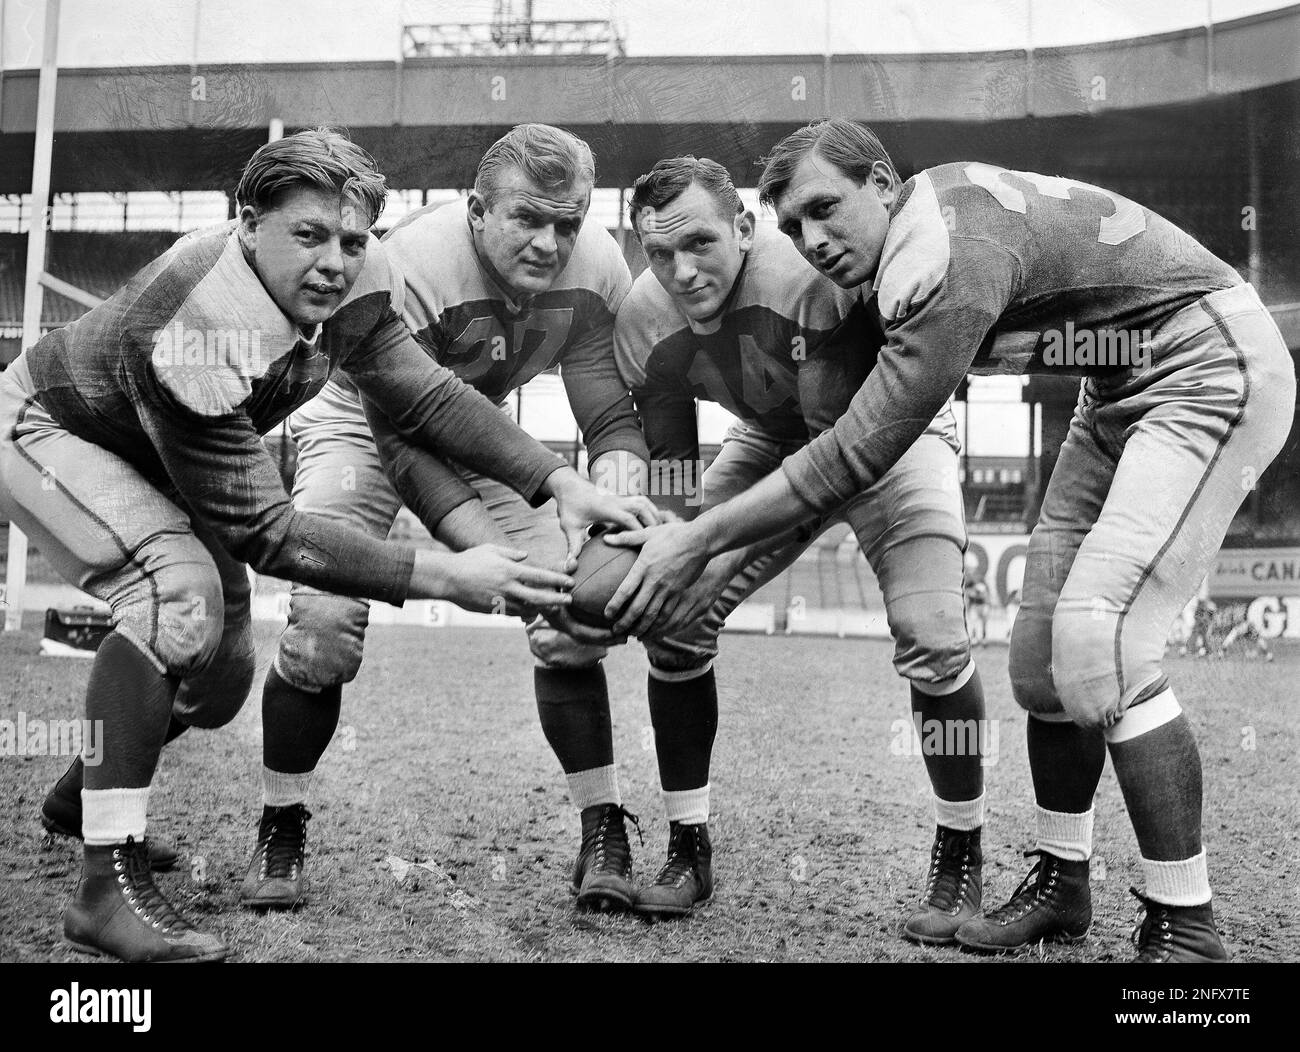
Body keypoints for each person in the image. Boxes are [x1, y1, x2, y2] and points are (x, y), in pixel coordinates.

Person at [602, 119, 1295, 962]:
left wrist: (698, 538)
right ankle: (1061, 879)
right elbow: (705, 449)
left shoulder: (939, 253)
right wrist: (656, 524)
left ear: (885, 186)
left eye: (827, 208)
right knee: (1041, 661)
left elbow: (854, 450)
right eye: (797, 225)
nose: (814, 240)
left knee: (1095, 642)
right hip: (1108, 392)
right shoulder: (723, 298)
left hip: (1199, 366)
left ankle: (1183, 921)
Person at [0, 128, 654, 963]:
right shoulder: (200, 317)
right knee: (180, 600)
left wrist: (556, 481)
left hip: (162, 453)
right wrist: (444, 572)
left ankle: (80, 797)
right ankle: (106, 888)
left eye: (351, 239)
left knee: (222, 677)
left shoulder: (365, 275)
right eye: (307, 235)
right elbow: (265, 533)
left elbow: (424, 395)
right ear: (247, 224)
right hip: (51, 431)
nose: (334, 262)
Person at [242, 124, 659, 916]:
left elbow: (605, 404)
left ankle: (602, 826)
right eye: (527, 219)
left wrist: (613, 495)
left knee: (572, 610)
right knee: (325, 624)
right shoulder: (409, 261)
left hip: (482, 428)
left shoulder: (600, 261)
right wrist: (484, 558)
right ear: (475, 210)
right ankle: (281, 822)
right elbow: (404, 442)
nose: (551, 241)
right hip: (360, 424)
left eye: (567, 222)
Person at [614, 156, 990, 940]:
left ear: (745, 228)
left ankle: (961, 848)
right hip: (774, 436)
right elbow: (677, 463)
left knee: (933, 637)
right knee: (673, 614)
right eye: (657, 253)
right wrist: (678, 540)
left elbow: (837, 458)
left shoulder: (809, 281)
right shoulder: (644, 315)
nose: (680, 272)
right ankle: (688, 846)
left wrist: (717, 538)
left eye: (700, 245)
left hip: (891, 435)